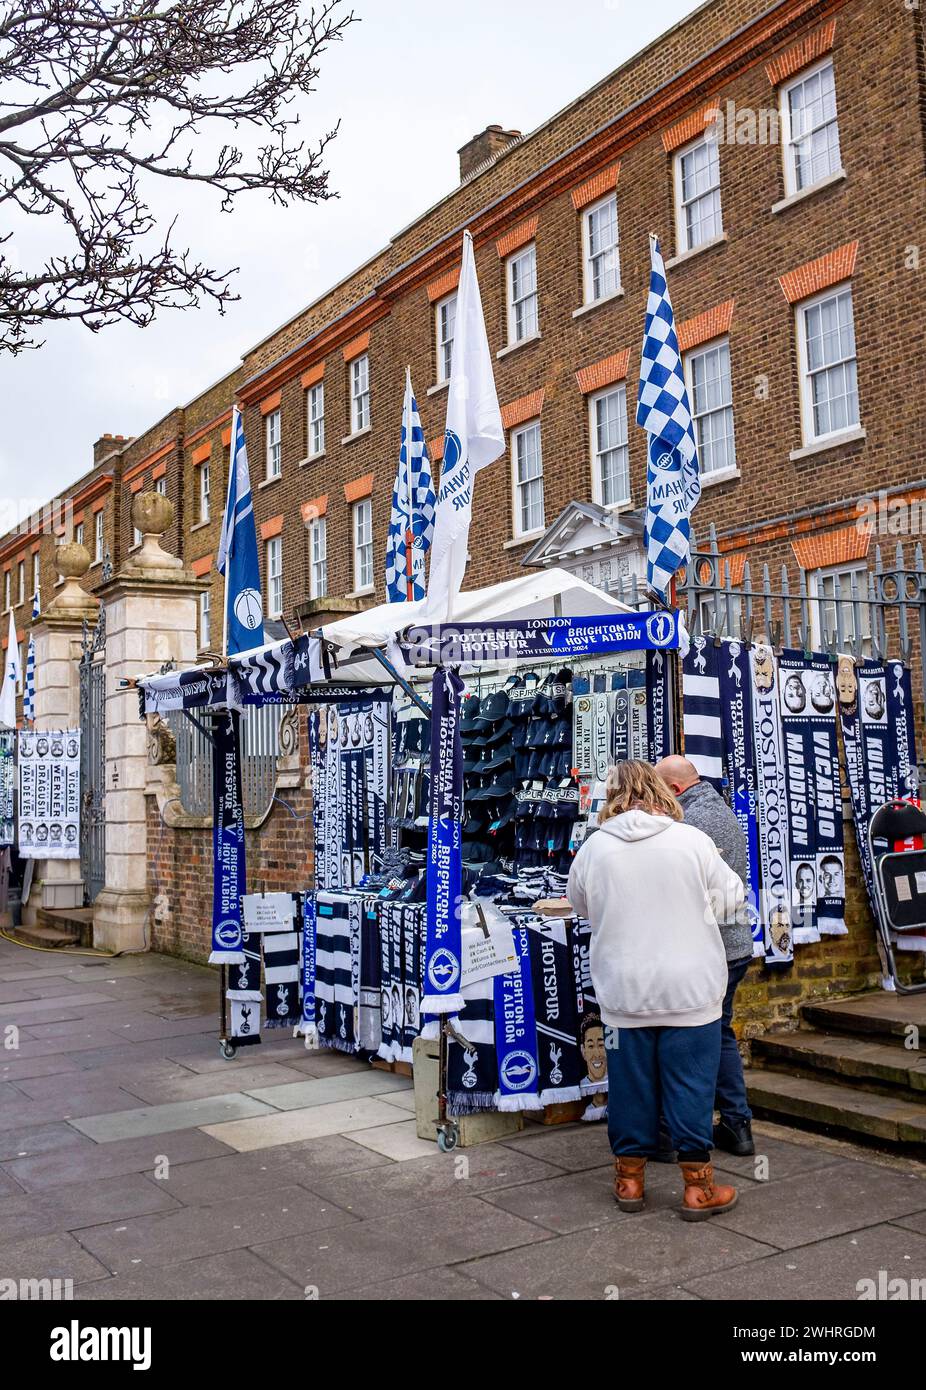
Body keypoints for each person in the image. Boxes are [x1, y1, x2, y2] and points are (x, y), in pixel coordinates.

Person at [567, 760, 744, 1222]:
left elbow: (579, 905)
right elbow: (730, 899)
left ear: (612, 796)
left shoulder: (594, 848)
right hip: (690, 990)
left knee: (629, 1086)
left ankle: (629, 1180)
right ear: (658, 790)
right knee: (691, 1084)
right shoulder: (691, 841)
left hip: (623, 997)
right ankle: (697, 1189)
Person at [655, 755, 756, 1158]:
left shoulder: (692, 824)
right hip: (733, 948)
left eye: (660, 793)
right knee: (719, 1035)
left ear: (675, 790)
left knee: (692, 1041)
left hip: (713, 949)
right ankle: (736, 1126)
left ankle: (682, 1135)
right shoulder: (716, 806)